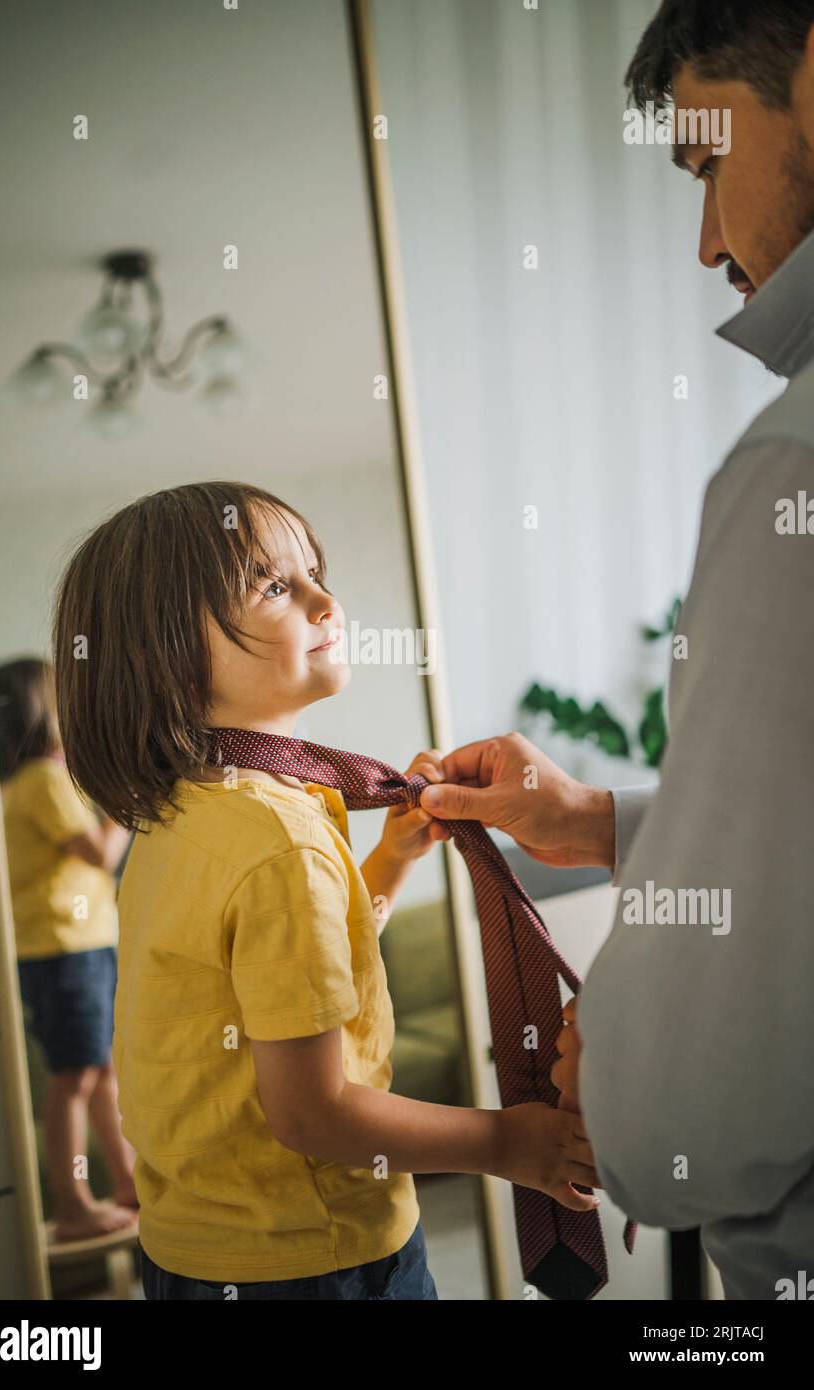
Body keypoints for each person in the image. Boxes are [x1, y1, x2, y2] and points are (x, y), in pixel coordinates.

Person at [417, 0, 814, 1300]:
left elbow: (715, 1077)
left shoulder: (789, 470)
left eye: (705, 164)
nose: (706, 244)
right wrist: (589, 817)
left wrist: (614, 1078)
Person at [50, 480, 601, 1301]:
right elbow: (313, 1115)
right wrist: (504, 1145)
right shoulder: (280, 838)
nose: (324, 600)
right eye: (275, 586)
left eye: (315, 573)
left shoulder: (182, 816)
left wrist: (388, 862)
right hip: (315, 1257)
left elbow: (288, 988)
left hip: (196, 1250)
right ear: (164, 653)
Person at [0, 657, 136, 1240]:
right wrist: (126, 798)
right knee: (76, 1076)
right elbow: (100, 854)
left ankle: (126, 1184)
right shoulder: (43, 782)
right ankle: (73, 1205)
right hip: (64, 948)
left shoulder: (39, 780)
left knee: (100, 1074)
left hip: (78, 943)